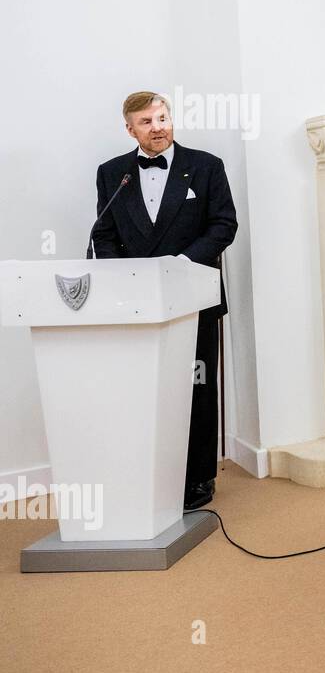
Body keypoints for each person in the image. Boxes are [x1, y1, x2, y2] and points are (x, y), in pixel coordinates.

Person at [91, 92, 239, 509]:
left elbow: (224, 225)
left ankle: (197, 479)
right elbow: (103, 234)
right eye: (145, 121)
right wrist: (128, 279)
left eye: (162, 117)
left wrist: (181, 263)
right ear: (129, 129)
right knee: (146, 392)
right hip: (137, 304)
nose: (157, 127)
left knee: (197, 388)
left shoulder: (207, 166)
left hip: (195, 297)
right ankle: (147, 474)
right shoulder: (111, 173)